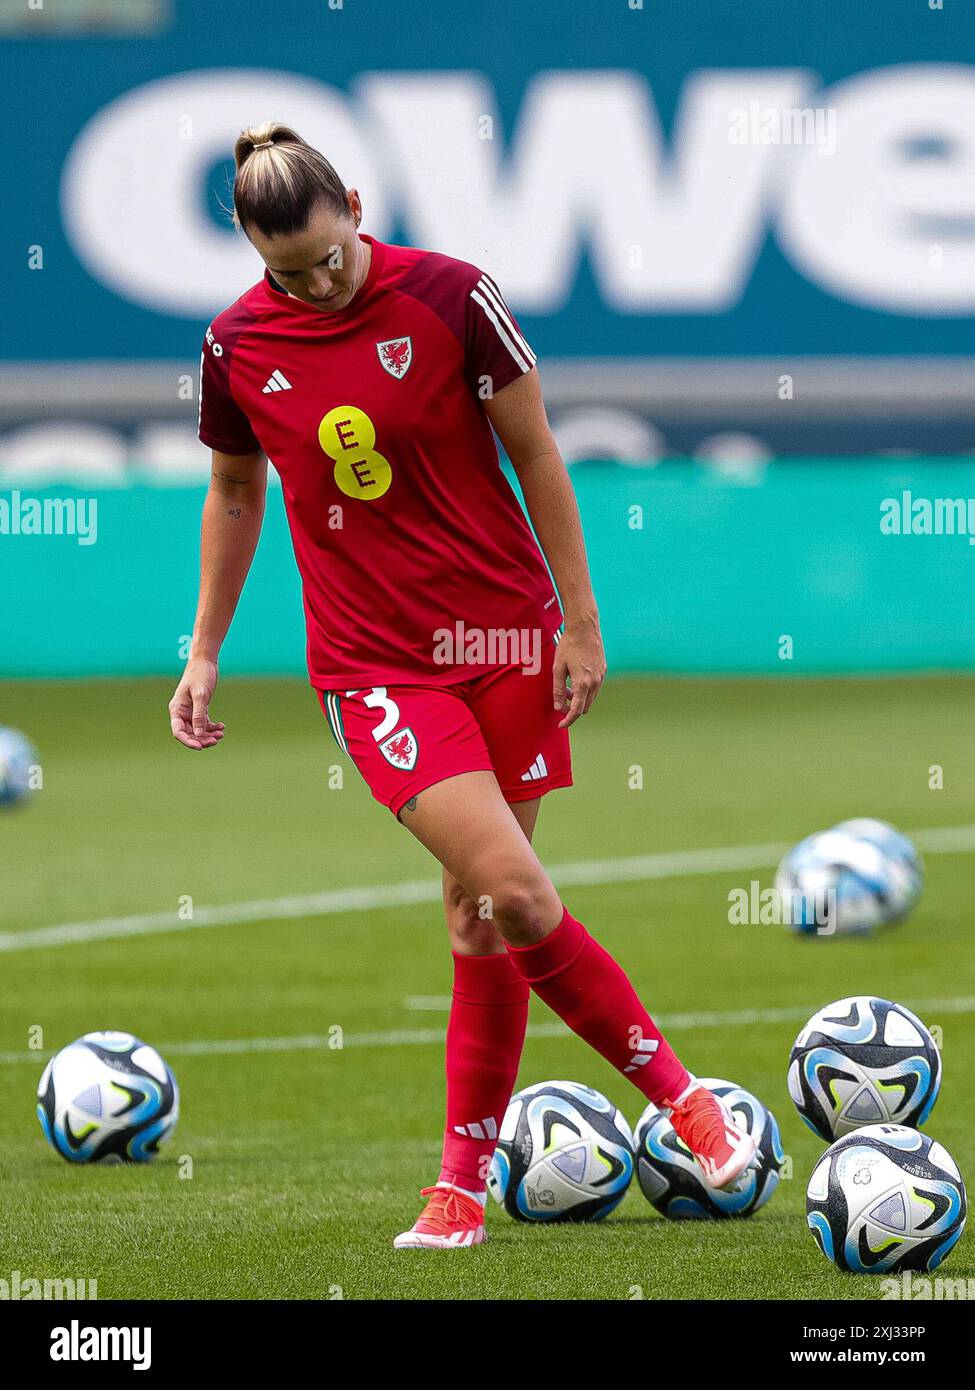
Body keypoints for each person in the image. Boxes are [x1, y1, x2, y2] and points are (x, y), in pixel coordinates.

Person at [170, 122, 758, 1250]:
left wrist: (578, 626)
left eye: (329, 256)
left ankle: (459, 1185)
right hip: (375, 663)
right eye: (288, 270)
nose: (318, 281)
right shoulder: (237, 343)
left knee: (482, 914)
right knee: (518, 891)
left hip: (503, 642)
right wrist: (204, 649)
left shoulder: (452, 298)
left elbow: (537, 454)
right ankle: (689, 1103)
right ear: (251, 250)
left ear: (354, 202)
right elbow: (236, 490)